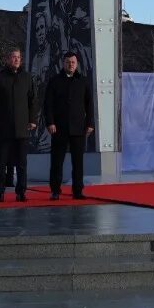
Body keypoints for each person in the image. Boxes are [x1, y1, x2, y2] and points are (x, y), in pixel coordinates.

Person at [0, 49, 37, 202]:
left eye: (18, 57)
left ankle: (21, 192)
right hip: (3, 127)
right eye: (13, 57)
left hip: (22, 127)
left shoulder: (27, 77)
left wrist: (33, 119)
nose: (16, 60)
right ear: (7, 59)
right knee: (1, 163)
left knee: (21, 163)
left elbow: (32, 101)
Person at [44, 52, 95, 200]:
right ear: (63, 63)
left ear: (76, 64)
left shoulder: (83, 81)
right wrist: (50, 122)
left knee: (78, 162)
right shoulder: (54, 81)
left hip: (78, 128)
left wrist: (90, 123)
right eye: (68, 62)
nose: (70, 65)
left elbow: (89, 105)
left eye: (73, 62)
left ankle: (78, 191)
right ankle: (55, 190)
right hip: (59, 127)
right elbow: (48, 104)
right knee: (56, 161)